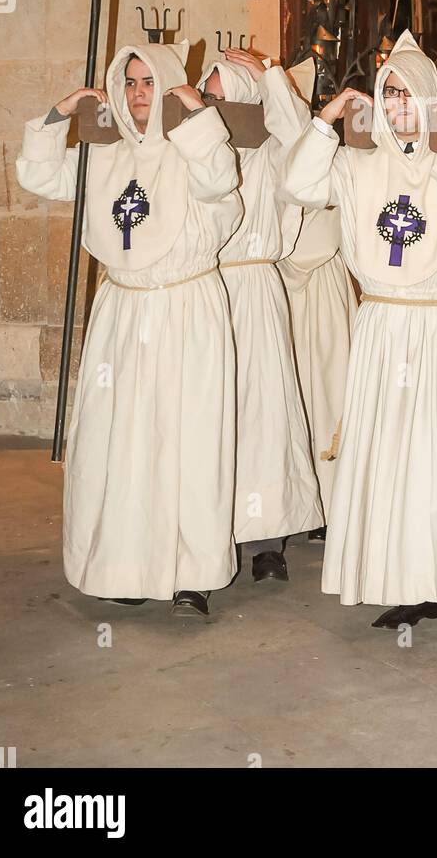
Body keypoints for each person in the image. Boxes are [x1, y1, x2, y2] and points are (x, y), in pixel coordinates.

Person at [280, 30, 437, 639]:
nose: (395, 105)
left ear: (428, 98)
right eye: (386, 94)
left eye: (406, 93)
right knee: (398, 463)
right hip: (385, 327)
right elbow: (298, 187)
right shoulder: (360, 166)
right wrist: (327, 120)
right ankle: (411, 585)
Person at [16, 43, 242, 617]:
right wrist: (57, 116)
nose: (139, 93)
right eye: (131, 82)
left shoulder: (195, 148)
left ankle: (193, 573)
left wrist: (192, 115)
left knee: (188, 440)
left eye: (150, 82)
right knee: (122, 439)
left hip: (187, 310)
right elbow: (41, 176)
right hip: (122, 314)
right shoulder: (102, 156)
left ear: (168, 85)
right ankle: (124, 562)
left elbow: (220, 182)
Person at [198, 49, 322, 583]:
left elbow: (302, 137)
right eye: (208, 96)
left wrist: (272, 72)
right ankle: (206, 536)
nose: (215, 106)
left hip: (255, 285)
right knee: (209, 417)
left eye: (224, 96)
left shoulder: (274, 149)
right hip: (202, 287)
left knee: (264, 416)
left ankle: (268, 538)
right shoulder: (194, 148)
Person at [278, 58, 358, 532]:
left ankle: (328, 500)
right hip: (283, 293)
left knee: (327, 391)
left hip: (324, 290)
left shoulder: (333, 159)